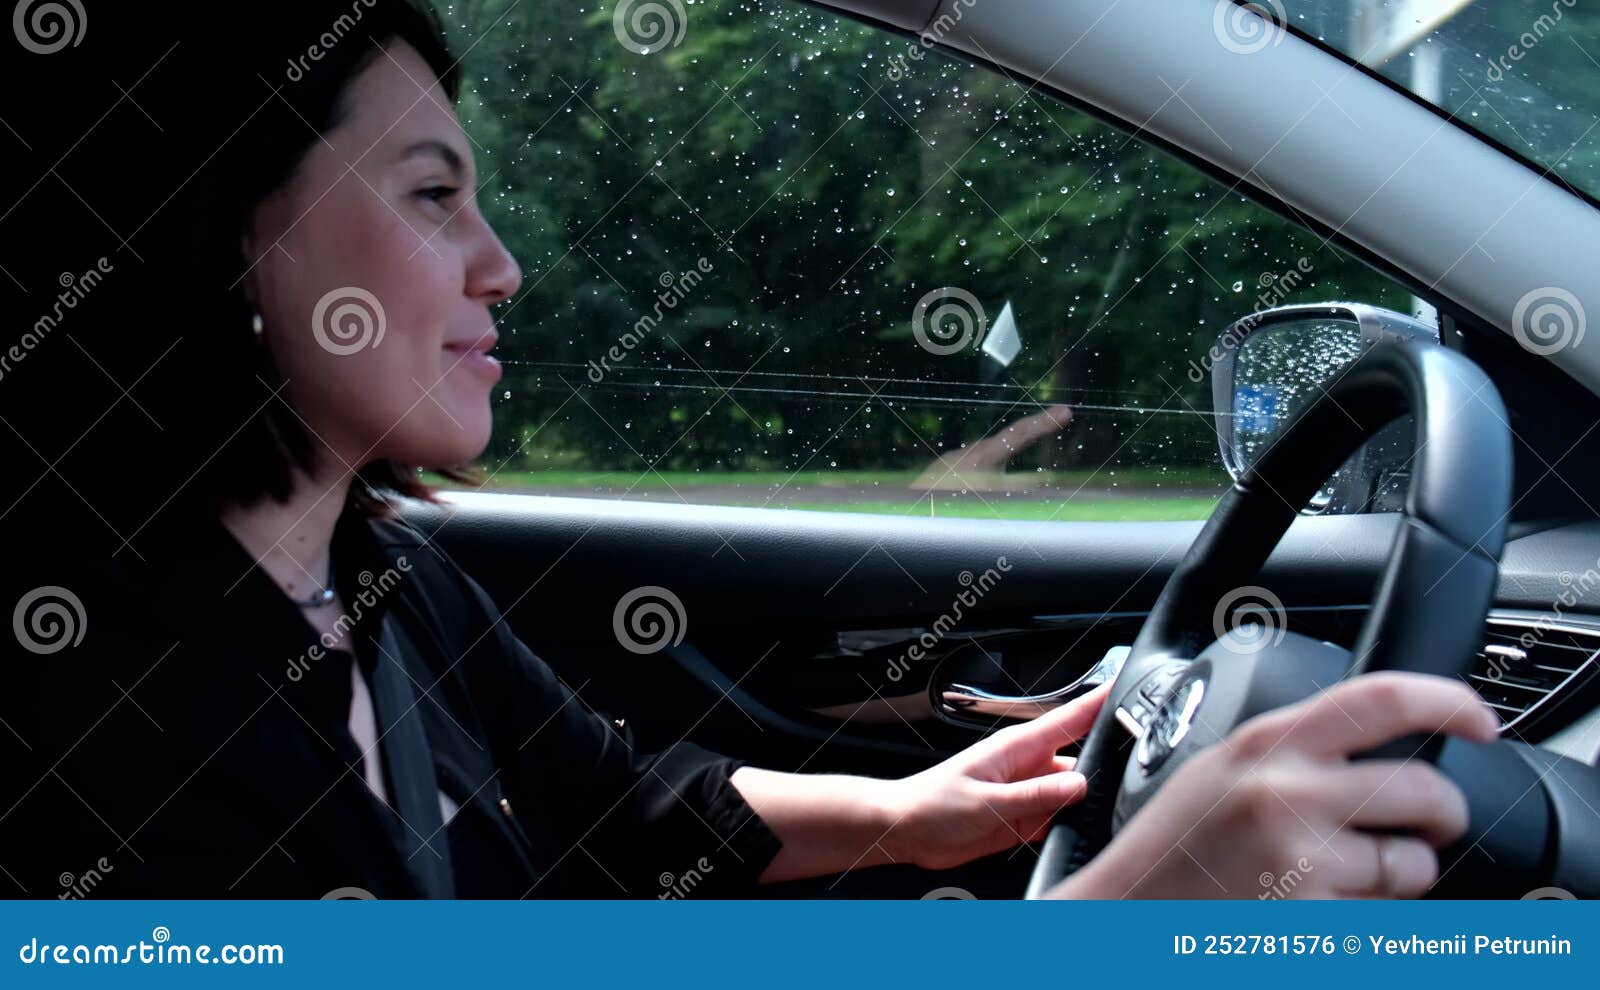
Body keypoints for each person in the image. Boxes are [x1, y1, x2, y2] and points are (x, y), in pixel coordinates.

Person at [0, 1, 1496, 899]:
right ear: (231, 238)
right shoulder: (80, 710)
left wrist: (919, 814)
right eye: (435, 196)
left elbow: (626, 806)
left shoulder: (391, 585)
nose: (502, 266)